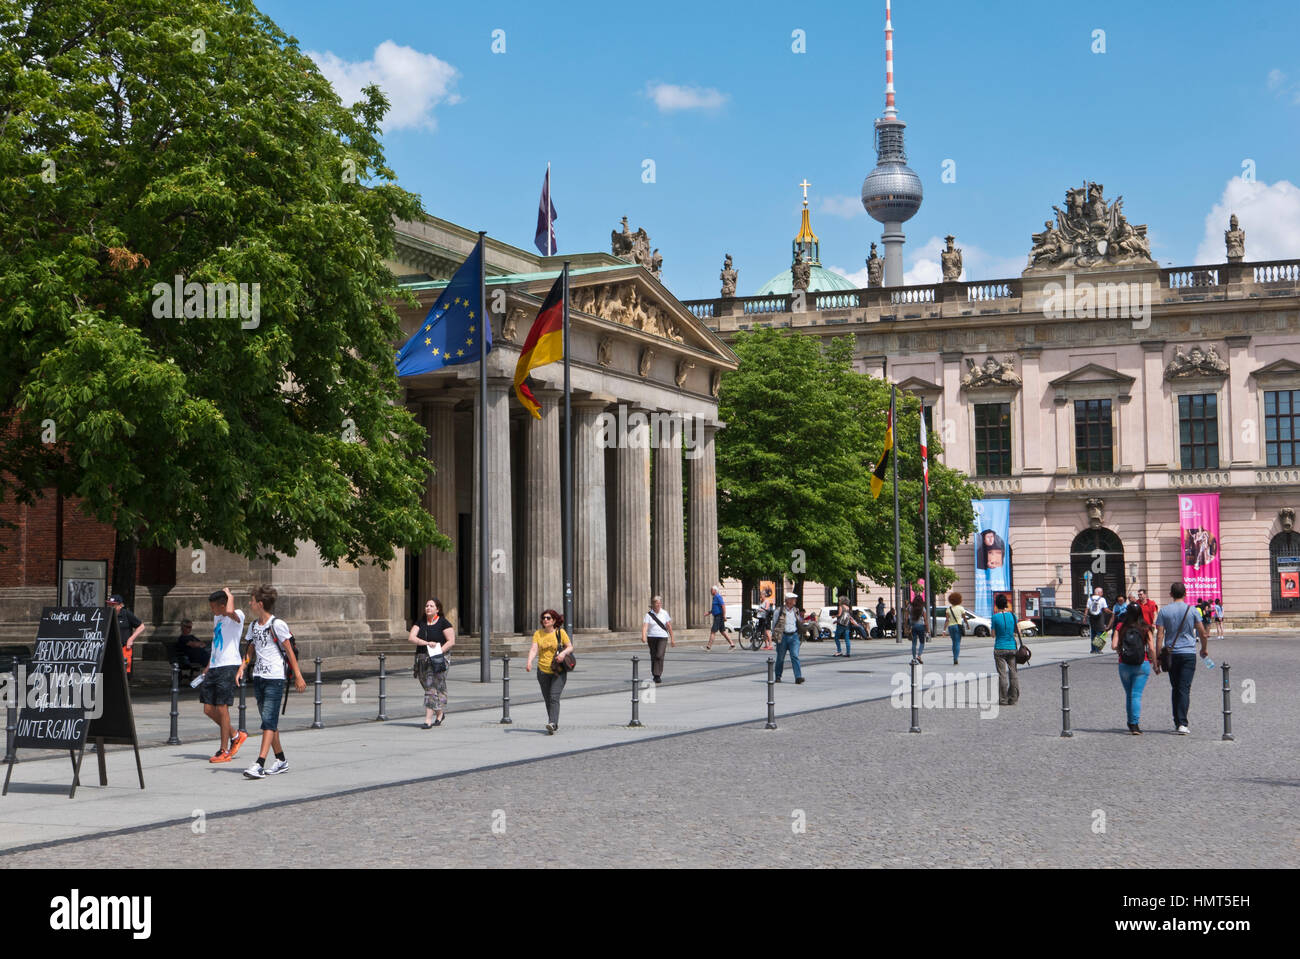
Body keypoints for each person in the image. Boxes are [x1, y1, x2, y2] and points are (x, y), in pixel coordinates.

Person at [237, 585, 307, 779]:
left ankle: (259, 763)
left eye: (252, 601)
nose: (250, 604)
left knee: (268, 722)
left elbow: (290, 652)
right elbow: (251, 649)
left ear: (260, 604)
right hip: (259, 677)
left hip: (275, 678)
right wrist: (243, 666)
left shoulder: (277, 624)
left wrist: (298, 676)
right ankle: (281, 760)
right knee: (269, 722)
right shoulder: (253, 626)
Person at [1154, 582, 1210, 735]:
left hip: (1171, 654)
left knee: (1176, 687)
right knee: (1184, 688)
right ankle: (1182, 723)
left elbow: (1159, 636)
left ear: (1171, 594)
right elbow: (1202, 633)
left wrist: (1158, 658)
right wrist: (1204, 649)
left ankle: (1177, 721)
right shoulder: (1192, 610)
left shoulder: (1164, 611)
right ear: (1185, 594)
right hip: (1188, 654)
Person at [201, 588, 247, 764]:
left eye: (214, 607)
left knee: (222, 707)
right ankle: (236, 735)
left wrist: (230, 596)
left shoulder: (237, 616)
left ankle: (224, 750)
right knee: (208, 708)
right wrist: (208, 666)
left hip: (229, 665)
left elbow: (229, 611)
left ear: (223, 604)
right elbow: (215, 643)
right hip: (215, 665)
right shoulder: (217, 617)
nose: (212, 610)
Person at [525, 609, 574, 734]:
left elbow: (570, 647)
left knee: (553, 697)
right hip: (542, 671)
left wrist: (562, 654)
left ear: (554, 620)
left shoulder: (560, 632)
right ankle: (552, 723)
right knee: (548, 699)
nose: (545, 620)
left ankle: (552, 723)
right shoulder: (538, 634)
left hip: (558, 671)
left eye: (548, 618)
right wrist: (529, 661)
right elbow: (533, 649)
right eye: (543, 618)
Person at [1111, 602, 1157, 734]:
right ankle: (1135, 724)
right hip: (1142, 664)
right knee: (1136, 695)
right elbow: (1152, 649)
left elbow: (1114, 646)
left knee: (1129, 695)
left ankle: (1130, 722)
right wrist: (1155, 664)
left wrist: (1121, 646)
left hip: (1124, 664)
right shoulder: (1145, 628)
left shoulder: (1121, 626)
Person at [409, 598, 455, 728]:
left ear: (437, 609)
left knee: (431, 687)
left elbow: (451, 641)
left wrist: (438, 651)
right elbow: (411, 637)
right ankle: (440, 713)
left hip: (439, 659)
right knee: (428, 686)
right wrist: (426, 643)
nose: (428, 608)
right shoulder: (420, 622)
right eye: (426, 605)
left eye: (431, 606)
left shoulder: (443, 623)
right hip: (422, 658)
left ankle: (427, 720)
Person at [991, 593, 1021, 706]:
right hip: (1012, 648)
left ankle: (1003, 699)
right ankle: (1013, 698)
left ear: (996, 605)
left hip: (999, 648)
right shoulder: (1013, 616)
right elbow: (1018, 632)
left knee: (1002, 675)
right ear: (1006, 604)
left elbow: (993, 635)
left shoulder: (994, 617)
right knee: (1013, 674)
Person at [107, 594, 145, 675]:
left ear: (120, 605)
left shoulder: (126, 614)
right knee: (110, 672)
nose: (111, 606)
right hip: (110, 648)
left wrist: (131, 639)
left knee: (124, 672)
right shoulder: (107, 614)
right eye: (109, 604)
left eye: (113, 605)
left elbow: (141, 626)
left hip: (124, 647)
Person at [772, 592, 804, 684]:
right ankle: (778, 676)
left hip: (794, 636)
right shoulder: (779, 610)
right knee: (780, 658)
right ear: (788, 600)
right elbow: (774, 623)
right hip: (783, 636)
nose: (795, 600)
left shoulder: (796, 610)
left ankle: (798, 677)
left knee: (795, 656)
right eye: (793, 599)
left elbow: (799, 622)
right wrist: (774, 635)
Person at [642, 595, 674, 683]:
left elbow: (668, 626)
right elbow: (645, 626)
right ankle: (655, 675)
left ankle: (658, 674)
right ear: (653, 604)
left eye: (660, 603)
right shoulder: (648, 615)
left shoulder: (664, 613)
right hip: (652, 637)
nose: (659, 605)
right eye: (657, 603)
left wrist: (672, 639)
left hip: (663, 637)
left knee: (659, 655)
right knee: (653, 655)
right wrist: (643, 636)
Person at [943, 592, 972, 665]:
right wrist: (967, 625)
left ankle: (954, 656)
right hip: (958, 626)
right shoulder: (961, 608)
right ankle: (956, 658)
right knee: (958, 642)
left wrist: (944, 630)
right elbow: (964, 618)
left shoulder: (948, 609)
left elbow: (947, 620)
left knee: (954, 642)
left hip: (951, 626)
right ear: (959, 600)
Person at [705, 585, 734, 650]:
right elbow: (715, 608)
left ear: (715, 591)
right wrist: (709, 612)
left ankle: (708, 646)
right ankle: (732, 644)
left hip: (718, 616)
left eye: (711, 590)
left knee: (713, 631)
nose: (710, 591)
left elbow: (723, 606)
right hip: (718, 616)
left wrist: (724, 615)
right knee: (722, 631)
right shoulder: (714, 597)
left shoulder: (718, 597)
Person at [1086, 587, 1109, 653]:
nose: (1102, 593)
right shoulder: (1102, 599)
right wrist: (1111, 612)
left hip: (1092, 618)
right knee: (1101, 633)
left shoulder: (1089, 599)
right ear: (1099, 592)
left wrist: (1084, 617)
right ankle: (1098, 649)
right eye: (1101, 592)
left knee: (1093, 633)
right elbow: (1105, 609)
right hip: (1099, 618)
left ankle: (1093, 649)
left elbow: (1087, 608)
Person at [908, 595, 928, 664]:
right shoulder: (923, 608)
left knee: (914, 643)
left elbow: (906, 618)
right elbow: (925, 620)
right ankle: (919, 655)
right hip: (921, 626)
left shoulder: (910, 607)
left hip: (913, 626)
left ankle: (914, 658)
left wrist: (907, 627)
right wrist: (927, 630)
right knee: (922, 642)